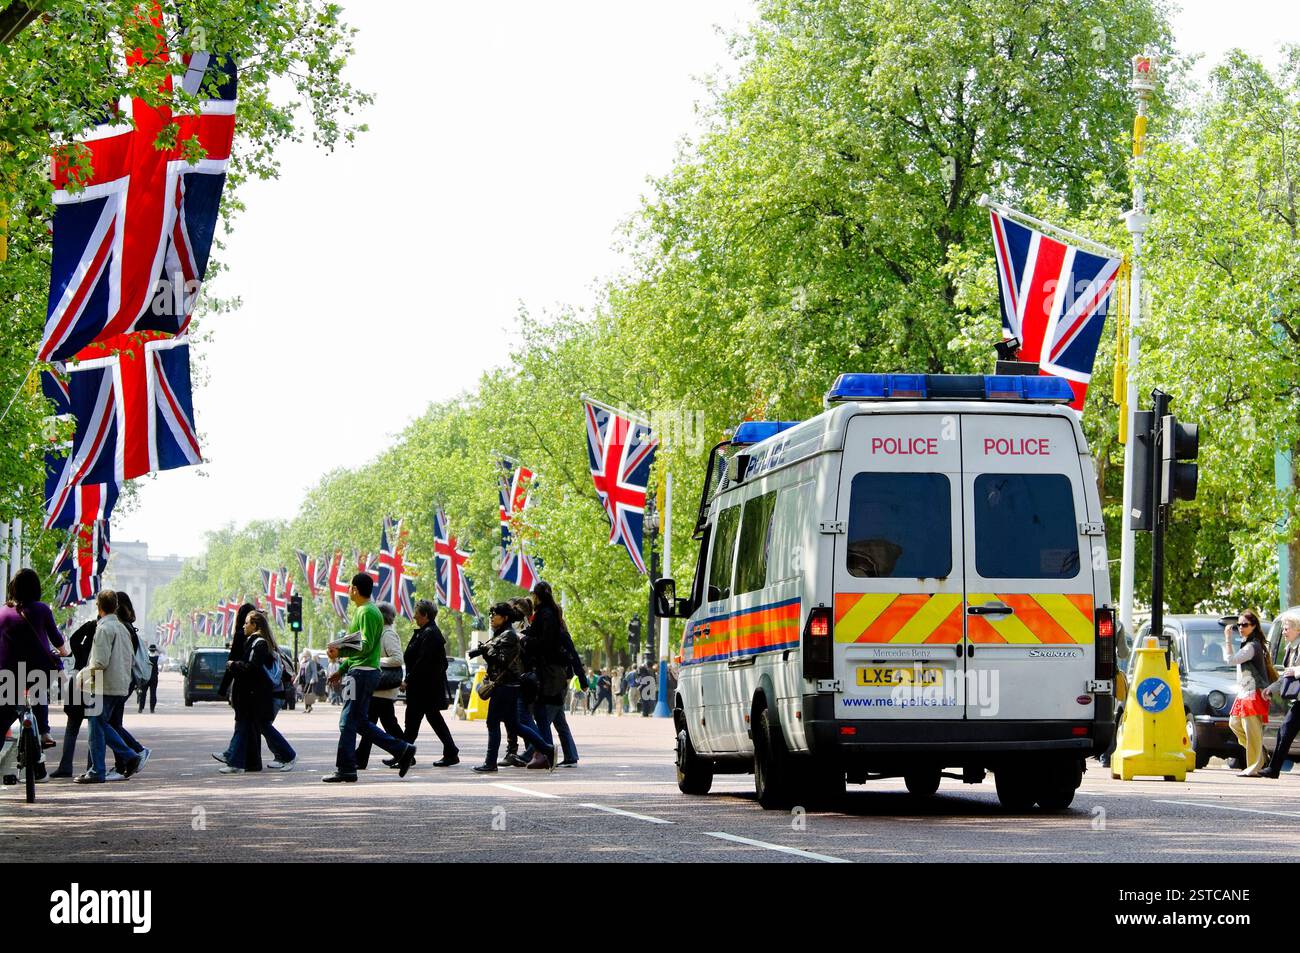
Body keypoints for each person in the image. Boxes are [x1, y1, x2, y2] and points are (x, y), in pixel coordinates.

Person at [322, 573, 416, 783]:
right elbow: (365, 647)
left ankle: (346, 768)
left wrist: (340, 652)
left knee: (347, 722)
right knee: (359, 722)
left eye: (349, 587)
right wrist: (343, 667)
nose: (348, 590)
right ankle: (402, 749)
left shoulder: (365, 612)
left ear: (355, 589)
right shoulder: (367, 611)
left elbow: (363, 645)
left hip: (360, 674)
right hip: (361, 672)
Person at [469, 602, 554, 773]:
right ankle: (546, 749)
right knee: (514, 725)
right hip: (506, 685)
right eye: (491, 614)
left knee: (492, 722)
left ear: (505, 617)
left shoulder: (508, 635)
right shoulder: (501, 634)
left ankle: (490, 762)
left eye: (496, 614)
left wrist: (487, 652)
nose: (492, 617)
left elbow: (502, 661)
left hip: (506, 686)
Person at [0, 568, 67, 779]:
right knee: (38, 694)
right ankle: (44, 733)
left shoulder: (3, 612)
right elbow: (56, 639)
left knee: (4, 715)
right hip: (38, 670)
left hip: (8, 672)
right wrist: (64, 652)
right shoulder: (41, 609)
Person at [75, 590, 145, 783]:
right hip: (120, 684)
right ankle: (103, 766)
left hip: (103, 685)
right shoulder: (123, 628)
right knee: (101, 725)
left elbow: (100, 662)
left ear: (99, 606)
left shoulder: (104, 629)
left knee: (97, 725)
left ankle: (110, 764)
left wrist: (81, 675)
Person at [220, 610, 296, 774]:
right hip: (256, 694)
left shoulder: (259, 644)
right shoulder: (255, 642)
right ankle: (235, 760)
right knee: (248, 725)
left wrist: (234, 665)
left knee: (261, 726)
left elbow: (253, 668)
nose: (243, 625)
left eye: (247, 622)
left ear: (255, 625)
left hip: (258, 695)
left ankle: (288, 755)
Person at [399, 599, 459, 766]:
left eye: (417, 612)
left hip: (423, 688)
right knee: (426, 720)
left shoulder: (430, 633)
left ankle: (405, 755)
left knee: (413, 721)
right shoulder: (427, 632)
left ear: (425, 615)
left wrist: (407, 680)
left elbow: (423, 661)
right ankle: (450, 751)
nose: (414, 615)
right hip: (424, 687)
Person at [1226, 609, 1276, 777]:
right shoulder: (1248, 643)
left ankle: (1254, 766)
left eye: (1245, 625)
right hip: (1244, 692)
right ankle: (1260, 753)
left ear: (1253, 626)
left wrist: (1227, 640)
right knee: (1234, 724)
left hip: (1253, 694)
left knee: (1251, 731)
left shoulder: (1252, 646)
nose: (1241, 627)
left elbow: (1232, 660)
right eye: (1239, 625)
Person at [356, 603, 406, 770]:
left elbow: (397, 659)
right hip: (380, 688)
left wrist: (376, 661)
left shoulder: (388, 634)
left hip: (384, 687)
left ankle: (404, 751)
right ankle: (405, 751)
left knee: (370, 723)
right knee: (384, 723)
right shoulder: (381, 632)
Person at [50, 616, 98, 777]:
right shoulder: (102, 643)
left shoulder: (82, 648)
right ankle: (92, 766)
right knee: (94, 728)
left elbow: (74, 638)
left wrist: (89, 625)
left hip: (79, 681)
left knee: (72, 728)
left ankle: (65, 766)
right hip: (96, 683)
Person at [211, 603, 256, 767]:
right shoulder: (260, 637)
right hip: (255, 687)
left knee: (242, 722)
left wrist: (223, 688)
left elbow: (232, 662)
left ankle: (233, 755)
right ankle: (252, 760)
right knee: (250, 725)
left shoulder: (240, 635)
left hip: (242, 685)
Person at [1262, 611, 1300, 779]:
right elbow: (1286, 675)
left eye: (1286, 629)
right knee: (1285, 730)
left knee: (1286, 730)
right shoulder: (1290, 649)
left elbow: (1292, 672)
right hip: (1298, 701)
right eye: (1284, 629)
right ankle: (1273, 769)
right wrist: (1271, 688)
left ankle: (1273, 769)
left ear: (1297, 630)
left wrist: (1296, 671)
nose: (1283, 632)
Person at [137, 643, 160, 713]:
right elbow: (164, 658)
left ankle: (141, 708)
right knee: (153, 693)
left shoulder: (145, 657)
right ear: (155, 650)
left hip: (146, 677)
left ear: (149, 650)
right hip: (154, 678)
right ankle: (152, 709)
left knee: (143, 693)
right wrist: (158, 651)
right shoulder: (158, 658)